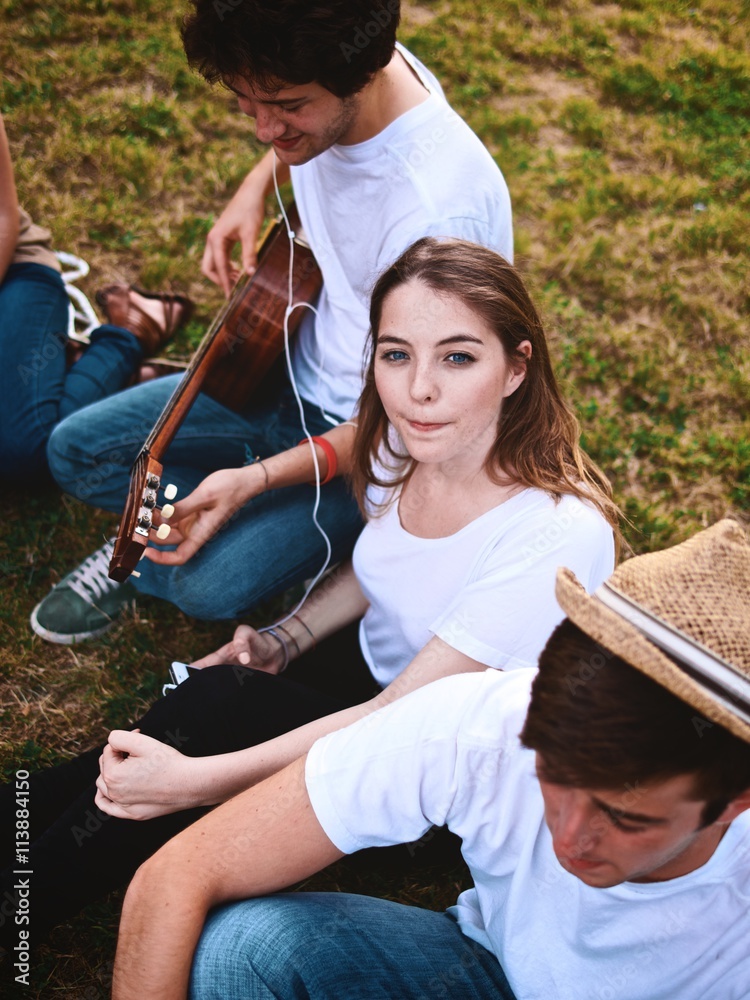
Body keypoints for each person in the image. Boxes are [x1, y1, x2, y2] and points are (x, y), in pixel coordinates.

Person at [0, 238, 617, 948]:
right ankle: (38, 810)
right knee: (198, 703)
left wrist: (201, 783)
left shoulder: (556, 536)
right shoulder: (413, 442)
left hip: (451, 779)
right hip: (385, 679)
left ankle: (26, 906)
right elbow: (389, 568)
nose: (418, 388)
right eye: (396, 354)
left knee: (205, 719)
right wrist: (284, 639)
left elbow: (395, 720)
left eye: (457, 356)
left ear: (516, 367)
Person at [107, 517, 750, 1000]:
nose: (570, 837)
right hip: (488, 970)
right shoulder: (489, 723)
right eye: (553, 776)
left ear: (733, 802)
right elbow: (180, 875)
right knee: (245, 949)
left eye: (627, 817)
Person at [32, 0, 515, 643]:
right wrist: (257, 184)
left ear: (362, 70)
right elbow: (300, 126)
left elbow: (411, 428)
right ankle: (170, 521)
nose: (264, 129)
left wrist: (255, 479)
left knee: (210, 587)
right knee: (74, 451)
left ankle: (160, 539)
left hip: (375, 437)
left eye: (286, 108)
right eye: (245, 103)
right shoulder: (357, 71)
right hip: (278, 364)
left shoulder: (440, 211)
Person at [0, 111, 193, 483]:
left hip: (14, 270)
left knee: (24, 448)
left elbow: (3, 217)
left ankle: (128, 333)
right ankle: (81, 374)